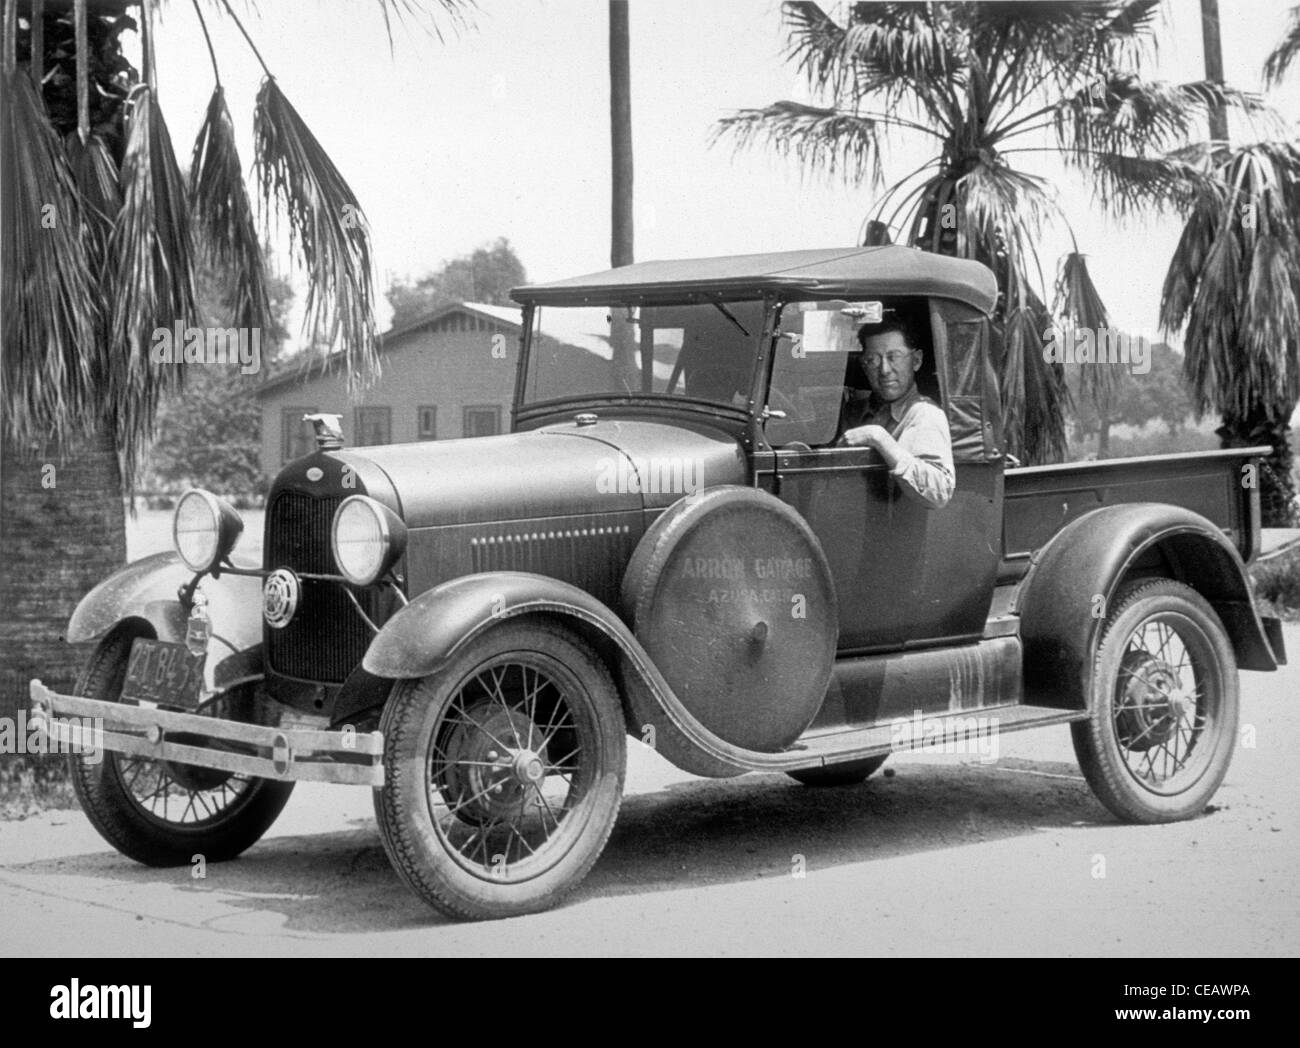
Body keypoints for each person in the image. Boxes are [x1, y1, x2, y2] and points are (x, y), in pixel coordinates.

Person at [837, 316, 954, 510]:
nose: (884, 370)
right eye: (872, 361)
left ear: (916, 361)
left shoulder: (924, 414)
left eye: (894, 357)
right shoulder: (854, 412)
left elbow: (938, 491)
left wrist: (879, 438)